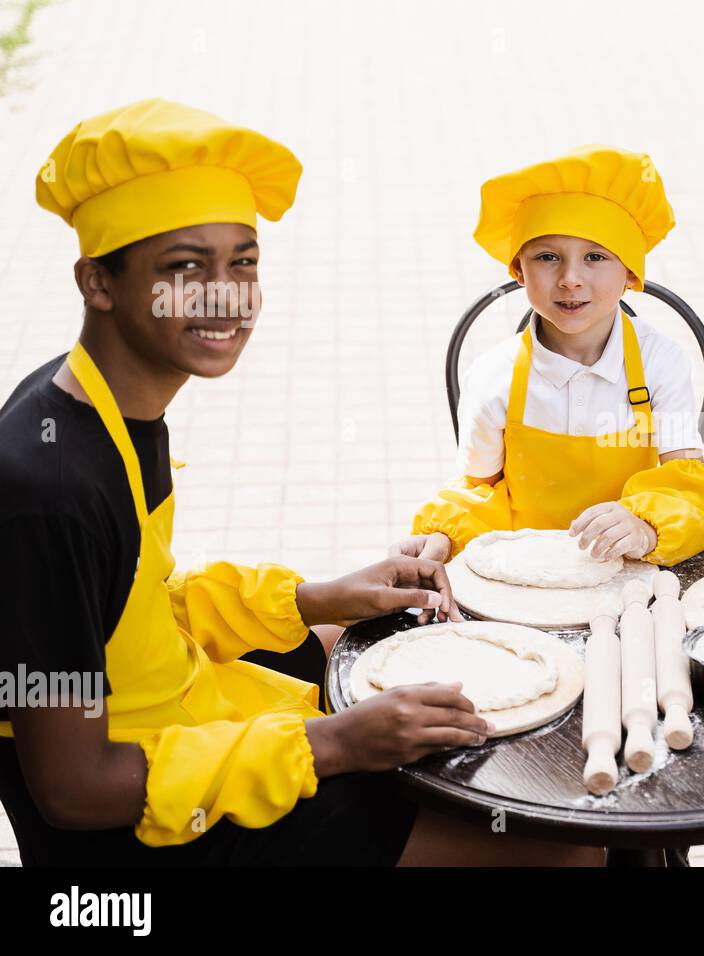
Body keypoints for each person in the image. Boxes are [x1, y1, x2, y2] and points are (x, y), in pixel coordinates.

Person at [0, 99, 599, 865]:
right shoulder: (43, 494)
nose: (227, 295)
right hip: (142, 826)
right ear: (98, 282)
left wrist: (313, 599)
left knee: (370, 635)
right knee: (567, 849)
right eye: (184, 267)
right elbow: (74, 789)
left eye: (242, 261)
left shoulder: (102, 406)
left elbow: (131, 607)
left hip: (180, 709)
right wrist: (331, 745)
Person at [394, 146, 704, 585]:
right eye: (547, 257)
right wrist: (442, 536)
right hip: (526, 579)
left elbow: (688, 483)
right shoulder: (493, 376)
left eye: (596, 257)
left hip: (633, 576)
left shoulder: (660, 364)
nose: (571, 278)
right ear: (519, 269)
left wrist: (646, 525)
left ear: (630, 273)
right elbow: (480, 491)